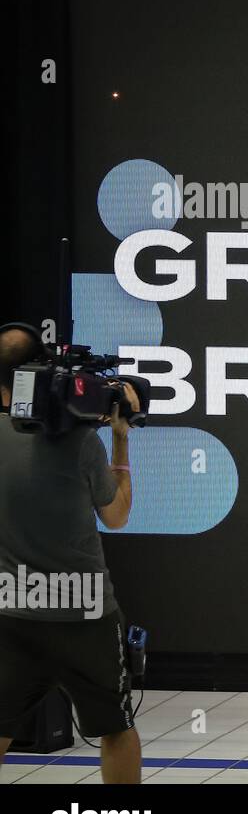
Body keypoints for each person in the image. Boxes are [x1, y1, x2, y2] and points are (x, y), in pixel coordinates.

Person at [0, 323, 142, 782]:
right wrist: (120, 436)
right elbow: (117, 516)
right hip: (85, 614)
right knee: (115, 727)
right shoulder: (83, 442)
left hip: (12, 609)